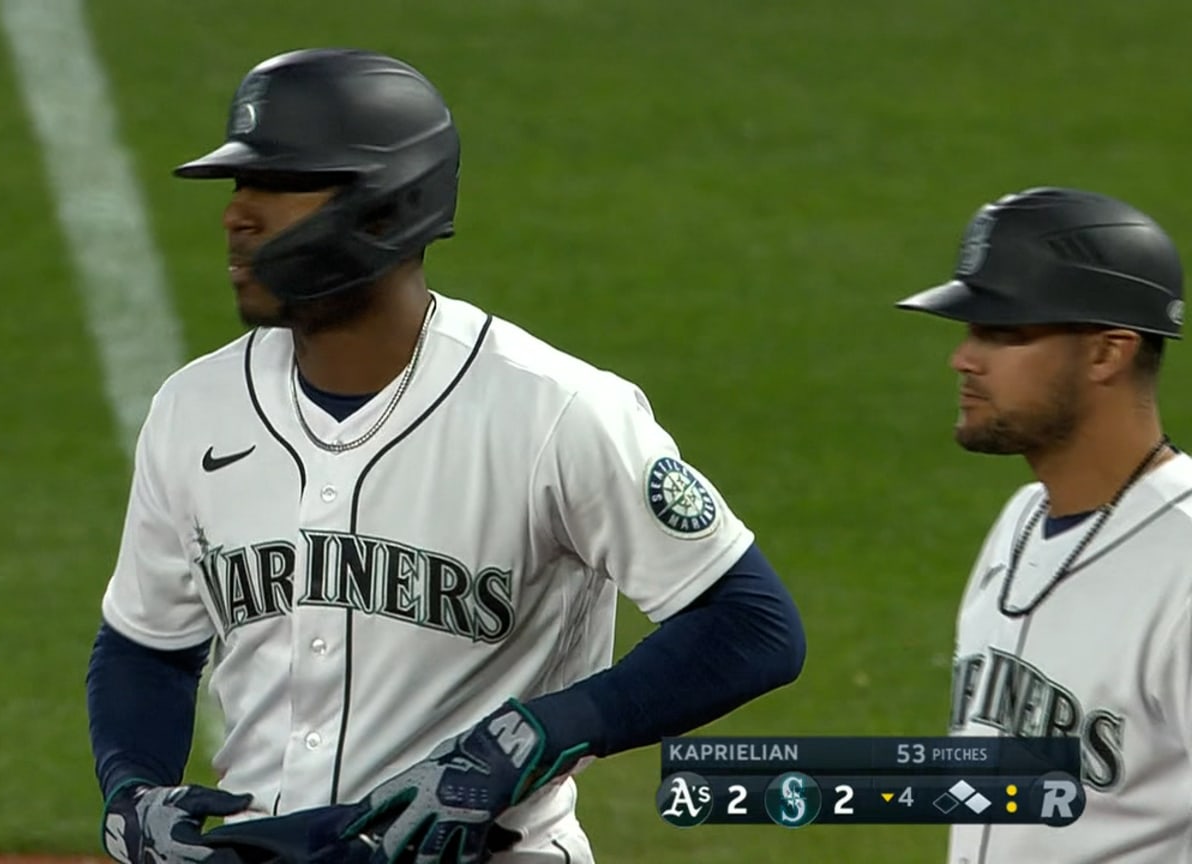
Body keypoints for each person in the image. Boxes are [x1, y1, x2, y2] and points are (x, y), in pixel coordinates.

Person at [86, 47, 806, 864]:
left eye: (280, 184)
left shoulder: (554, 412)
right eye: (238, 185)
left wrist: (536, 736)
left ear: (388, 210)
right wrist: (131, 788)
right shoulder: (194, 408)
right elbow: (146, 644)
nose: (237, 215)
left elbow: (751, 624)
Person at [897, 186, 1192, 864]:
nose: (964, 358)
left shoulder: (1183, 561)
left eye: (1003, 334)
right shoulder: (1021, 520)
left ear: (1107, 353)